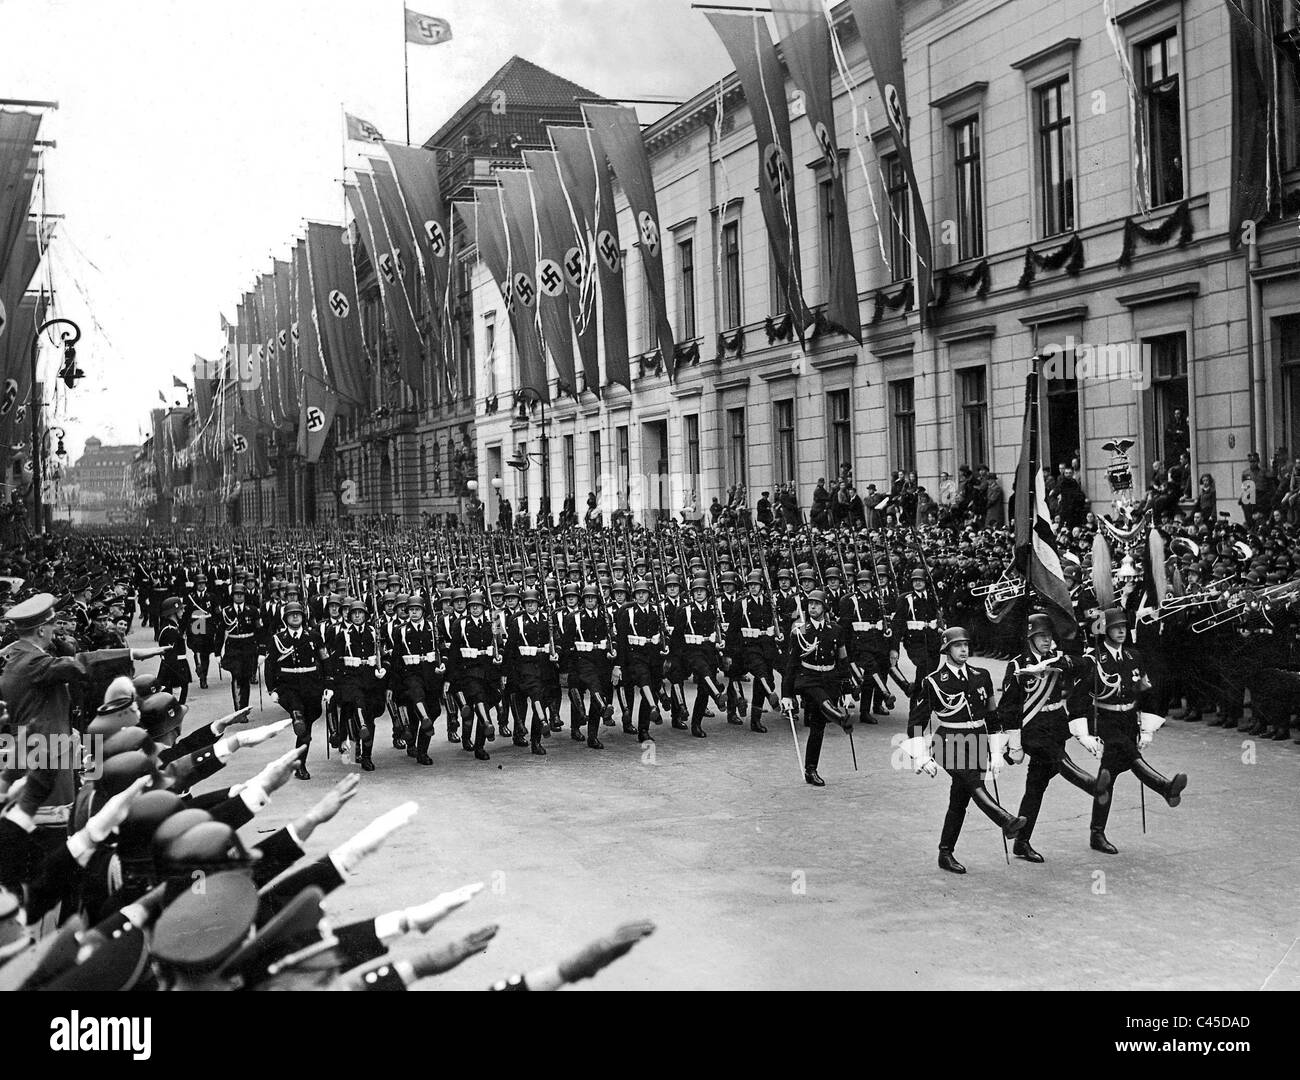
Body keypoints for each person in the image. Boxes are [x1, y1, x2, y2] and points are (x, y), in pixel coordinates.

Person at [903, 626, 1026, 874]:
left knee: (959, 801)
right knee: (972, 781)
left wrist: (997, 750)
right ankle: (1005, 820)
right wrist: (922, 756)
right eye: (958, 646)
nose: (964, 650)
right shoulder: (933, 682)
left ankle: (945, 853)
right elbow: (916, 723)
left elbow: (992, 715)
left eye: (966, 645)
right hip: (949, 741)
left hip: (978, 740)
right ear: (946, 650)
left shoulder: (982, 676)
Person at [998, 613, 1110, 863]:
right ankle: (1092, 784)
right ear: (1030, 638)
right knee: (1058, 758)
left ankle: (1022, 842)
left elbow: (1088, 666)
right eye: (1041, 636)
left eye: (1049, 636)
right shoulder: (1018, 665)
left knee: (1036, 787)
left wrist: (1064, 661)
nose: (1047, 640)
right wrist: (1013, 743)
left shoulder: (1057, 659)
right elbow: (1008, 707)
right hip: (1032, 729)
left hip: (1055, 725)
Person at [1080, 607, 1188, 855]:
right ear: (1104, 629)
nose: (1120, 631)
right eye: (1115, 627)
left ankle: (1097, 832)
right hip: (1105, 719)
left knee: (1107, 776)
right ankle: (1164, 786)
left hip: (1128, 719)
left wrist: (1147, 728)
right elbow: (1082, 696)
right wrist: (1085, 731)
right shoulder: (1094, 658)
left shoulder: (1133, 656)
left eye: (1123, 627)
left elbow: (1144, 690)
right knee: (1128, 753)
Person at [779, 589, 851, 787]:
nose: (812, 607)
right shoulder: (800, 631)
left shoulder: (836, 630)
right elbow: (791, 665)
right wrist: (786, 694)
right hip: (808, 679)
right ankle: (839, 717)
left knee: (817, 728)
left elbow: (843, 661)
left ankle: (811, 769)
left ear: (824, 607)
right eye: (810, 603)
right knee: (820, 698)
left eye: (817, 604)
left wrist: (847, 690)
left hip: (829, 677)